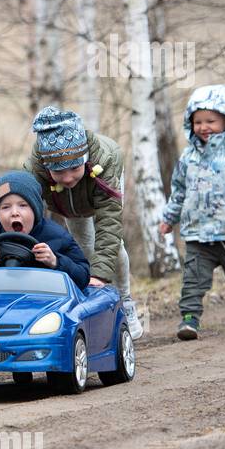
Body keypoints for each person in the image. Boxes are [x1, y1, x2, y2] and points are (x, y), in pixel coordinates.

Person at [24, 107, 144, 338]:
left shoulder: (106, 160)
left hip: (97, 192)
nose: (67, 178)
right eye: (58, 172)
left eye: (74, 169)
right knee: (83, 248)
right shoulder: (34, 170)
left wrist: (99, 275)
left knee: (111, 245)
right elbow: (26, 212)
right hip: (67, 206)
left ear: (85, 159)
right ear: (46, 167)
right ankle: (91, 304)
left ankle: (125, 300)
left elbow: (108, 223)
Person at [159, 84, 225, 340]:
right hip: (197, 235)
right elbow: (179, 190)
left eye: (210, 121)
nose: (204, 127)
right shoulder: (188, 157)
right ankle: (189, 320)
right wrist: (169, 217)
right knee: (192, 282)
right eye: (198, 122)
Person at [0, 170, 90, 290]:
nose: (14, 213)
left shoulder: (58, 236)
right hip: (0, 302)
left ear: (35, 209)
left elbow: (83, 278)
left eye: (23, 205)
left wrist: (56, 261)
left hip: (44, 303)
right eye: (5, 207)